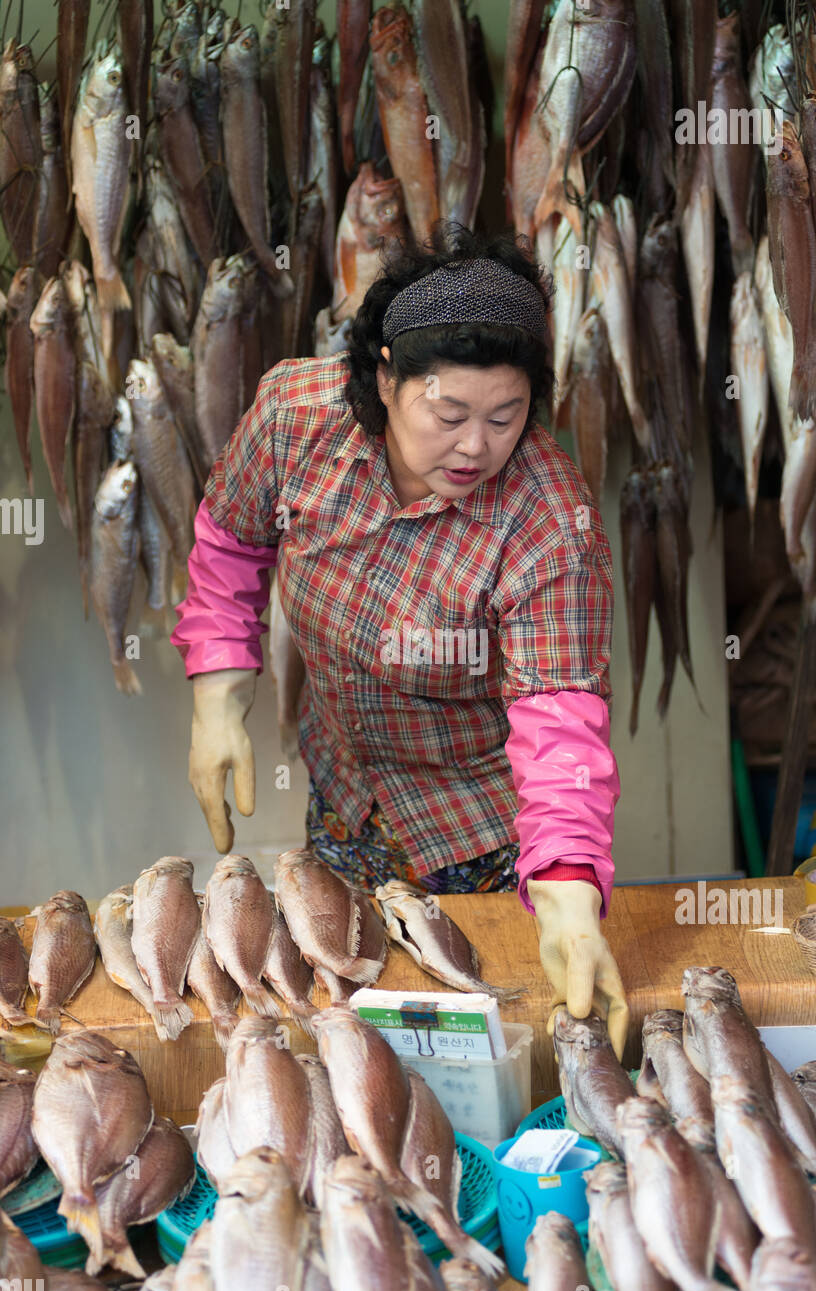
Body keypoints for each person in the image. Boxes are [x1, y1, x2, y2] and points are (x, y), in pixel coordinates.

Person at [170, 224, 628, 1056]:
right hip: (344, 799)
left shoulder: (550, 520)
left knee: (489, 1041)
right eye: (447, 413)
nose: (476, 446)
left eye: (505, 415)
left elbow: (556, 707)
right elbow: (230, 541)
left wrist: (564, 882)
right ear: (383, 377)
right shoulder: (295, 417)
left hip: (484, 832)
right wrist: (217, 690)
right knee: (352, 1033)